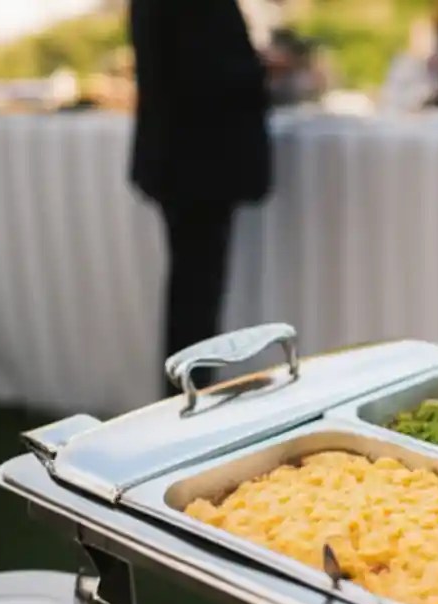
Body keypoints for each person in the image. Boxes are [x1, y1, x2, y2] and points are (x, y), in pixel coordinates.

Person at [128, 0, 271, 381]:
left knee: (192, 291)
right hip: (198, 163)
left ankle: (185, 391)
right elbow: (206, 73)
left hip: (182, 163)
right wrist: (261, 69)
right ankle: (189, 394)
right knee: (196, 295)